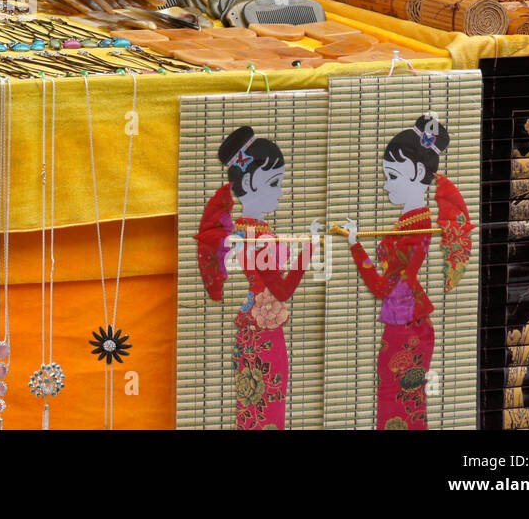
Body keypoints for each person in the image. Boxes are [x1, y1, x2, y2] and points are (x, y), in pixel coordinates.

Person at [343, 114, 474, 430]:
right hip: (402, 323)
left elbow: (381, 286)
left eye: (392, 176)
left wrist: (355, 245)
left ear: (416, 172)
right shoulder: (410, 223)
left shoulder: (416, 229)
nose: (386, 185)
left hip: (407, 325)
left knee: (403, 405)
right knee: (397, 403)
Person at [196, 127, 312, 430]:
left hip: (251, 331)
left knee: (251, 407)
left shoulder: (242, 232)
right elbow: (283, 290)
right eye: (274, 183)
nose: (280, 191)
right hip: (265, 331)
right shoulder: (258, 238)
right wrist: (309, 249)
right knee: (268, 407)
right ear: (248, 182)